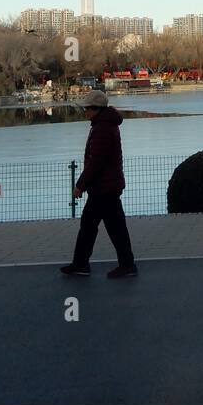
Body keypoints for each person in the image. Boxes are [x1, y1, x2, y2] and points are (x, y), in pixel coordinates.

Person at [61, 90, 138, 278]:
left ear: (96, 109)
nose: (85, 112)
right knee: (107, 226)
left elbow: (96, 162)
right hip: (107, 186)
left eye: (87, 109)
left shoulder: (102, 128)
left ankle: (84, 264)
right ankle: (121, 264)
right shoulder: (106, 124)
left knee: (95, 226)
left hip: (103, 188)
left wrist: (80, 185)